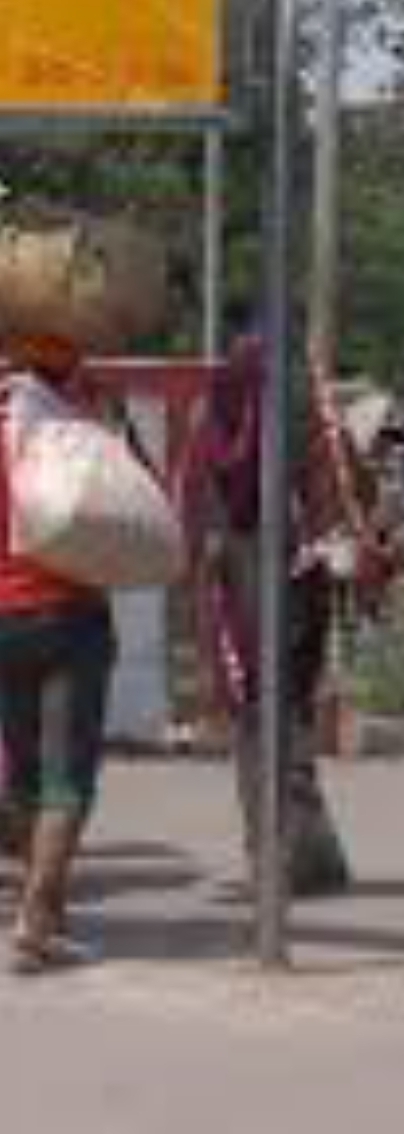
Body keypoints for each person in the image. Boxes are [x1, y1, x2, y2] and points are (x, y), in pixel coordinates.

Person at [185, 331, 369, 898]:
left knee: (259, 728)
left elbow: (195, 518)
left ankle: (273, 861)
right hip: (303, 590)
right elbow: (354, 493)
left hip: (250, 597)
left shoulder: (217, 432)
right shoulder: (311, 425)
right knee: (290, 723)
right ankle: (315, 857)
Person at [0, 326, 123, 974]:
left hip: (0, 617)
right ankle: (36, 915)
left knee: (26, 777)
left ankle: (44, 911)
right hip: (73, 613)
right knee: (67, 779)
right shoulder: (85, 419)